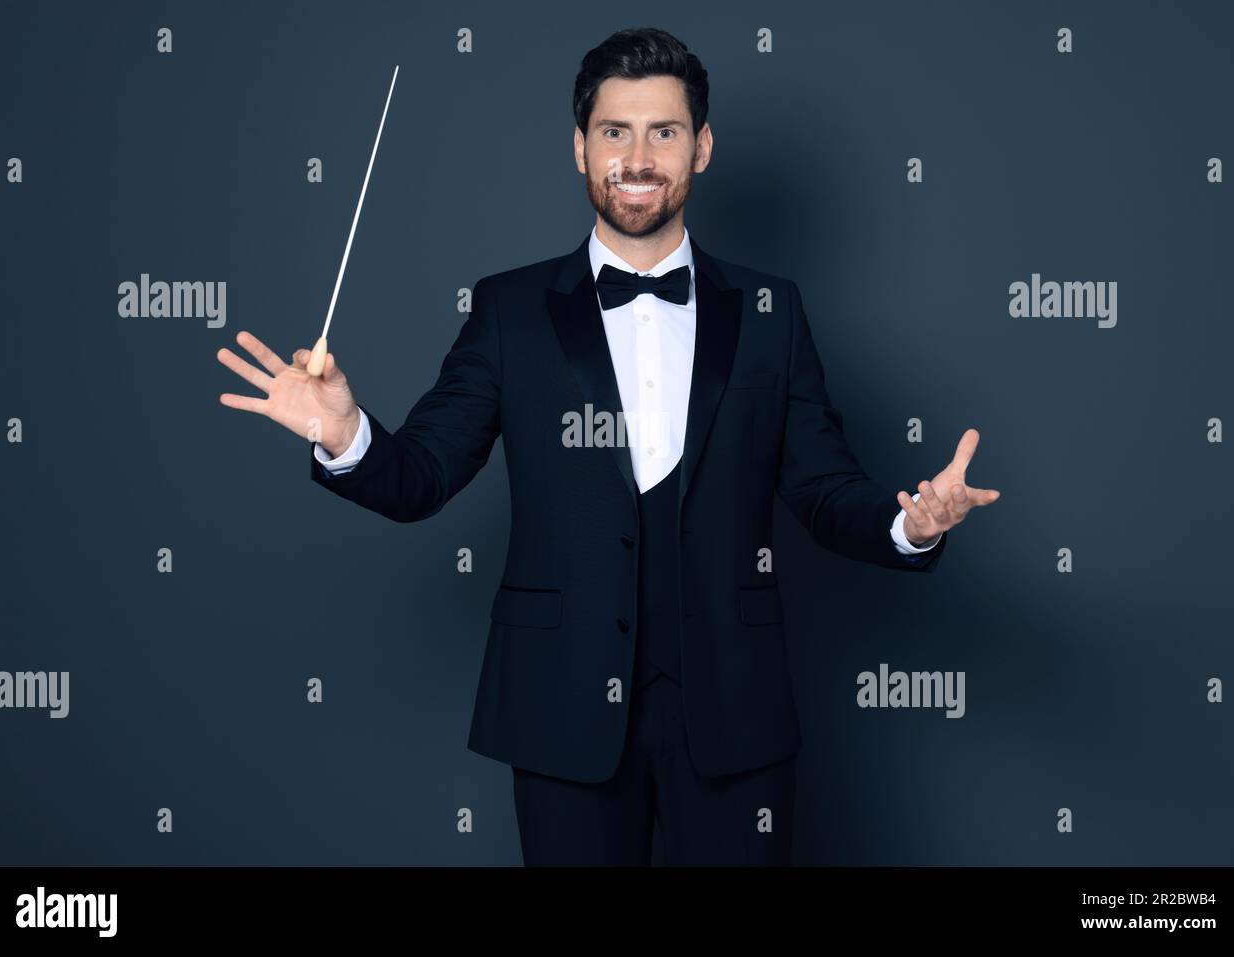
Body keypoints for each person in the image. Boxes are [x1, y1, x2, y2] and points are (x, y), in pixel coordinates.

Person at [216, 27, 999, 865]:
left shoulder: (773, 310)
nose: (637, 155)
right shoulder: (509, 311)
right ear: (580, 149)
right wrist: (346, 434)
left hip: (736, 711)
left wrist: (912, 524)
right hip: (560, 711)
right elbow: (422, 474)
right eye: (614, 131)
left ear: (701, 148)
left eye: (663, 131)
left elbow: (822, 487)